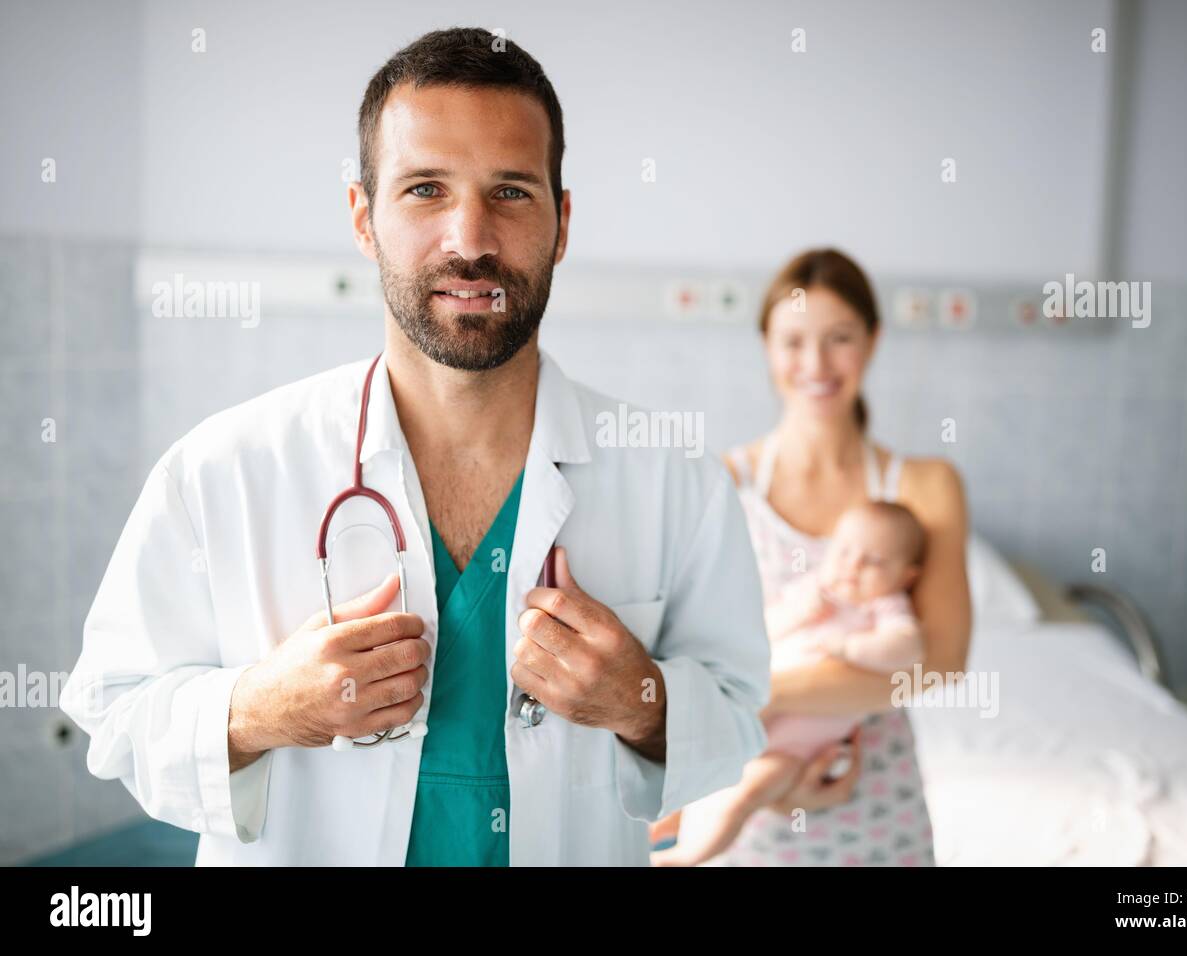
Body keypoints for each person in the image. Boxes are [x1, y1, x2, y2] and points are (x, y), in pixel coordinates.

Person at [59, 27, 770, 867]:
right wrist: (261, 708)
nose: (469, 238)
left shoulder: (676, 481)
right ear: (362, 217)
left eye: (510, 191)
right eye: (426, 189)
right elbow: (112, 711)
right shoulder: (224, 470)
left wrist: (642, 700)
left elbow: (738, 716)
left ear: (562, 220)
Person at [652, 248, 971, 866]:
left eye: (839, 338)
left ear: (872, 342)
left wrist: (764, 695)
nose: (816, 364)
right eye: (793, 341)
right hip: (743, 797)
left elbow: (939, 663)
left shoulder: (924, 487)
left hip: (875, 800)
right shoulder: (722, 482)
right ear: (768, 348)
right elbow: (682, 657)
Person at [652, 501, 926, 866]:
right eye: (844, 551)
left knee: (744, 798)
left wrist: (850, 647)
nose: (853, 567)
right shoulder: (815, 590)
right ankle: (661, 826)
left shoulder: (884, 609)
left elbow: (908, 648)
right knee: (699, 765)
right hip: (754, 711)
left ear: (906, 576)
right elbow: (762, 631)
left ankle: (684, 858)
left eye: (874, 561)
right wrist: (799, 613)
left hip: (798, 752)